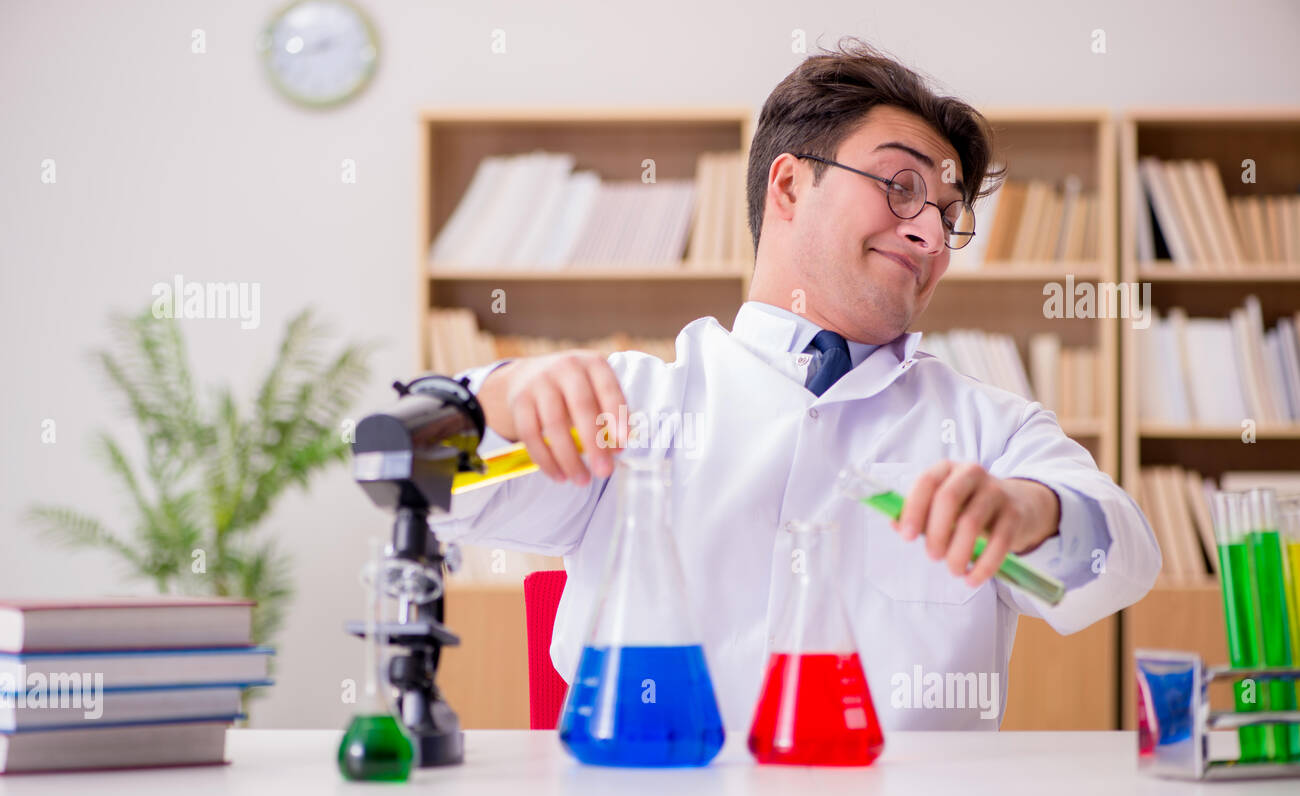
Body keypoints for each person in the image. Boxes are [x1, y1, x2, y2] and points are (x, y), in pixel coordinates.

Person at [432, 38, 1161, 732]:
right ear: (788, 184)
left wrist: (1032, 511)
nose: (933, 238)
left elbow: (1120, 564)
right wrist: (497, 399)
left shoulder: (991, 429)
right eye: (901, 188)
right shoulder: (630, 406)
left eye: (948, 215)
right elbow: (420, 481)